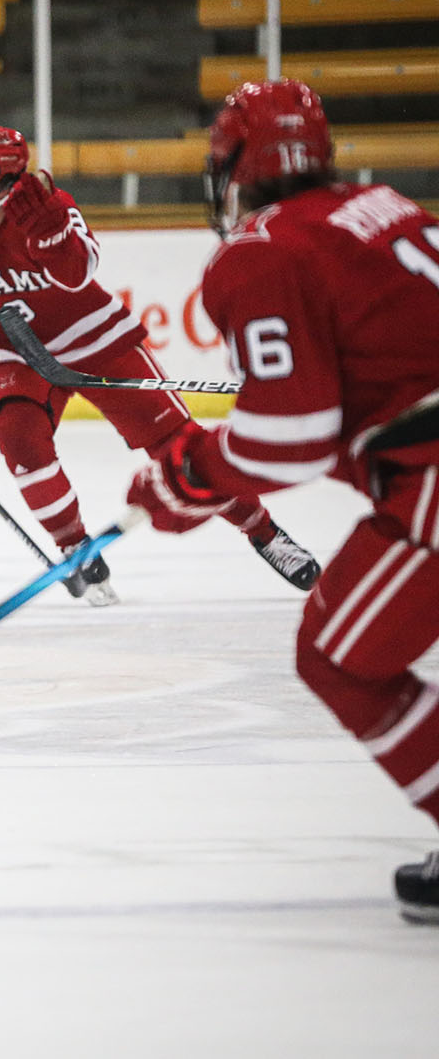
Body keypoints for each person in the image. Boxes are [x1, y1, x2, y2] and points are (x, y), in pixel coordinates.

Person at [124, 80, 439, 923]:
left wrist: (189, 474)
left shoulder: (260, 250)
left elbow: (295, 432)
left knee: (339, 654)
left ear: (236, 167)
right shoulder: (384, 205)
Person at [0, 123, 321, 605]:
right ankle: (77, 550)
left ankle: (265, 533)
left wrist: (50, 231)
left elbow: (80, 272)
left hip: (100, 342)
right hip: (20, 353)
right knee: (21, 445)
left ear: (4, 184)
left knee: (180, 450)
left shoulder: (46, 207)